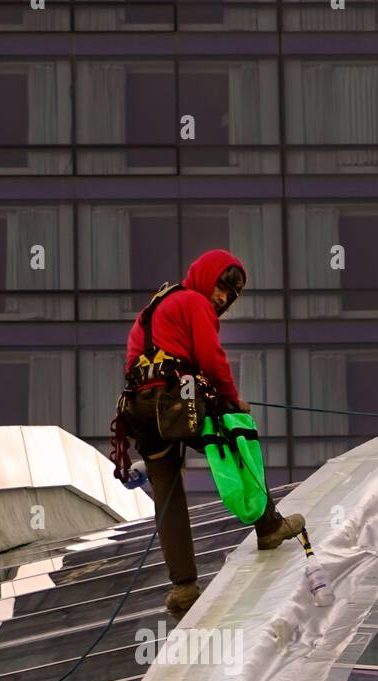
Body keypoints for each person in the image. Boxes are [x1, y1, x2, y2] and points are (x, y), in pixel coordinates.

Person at [116, 249, 304, 614]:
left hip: (139, 410)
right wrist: (232, 400)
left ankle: (184, 589)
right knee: (237, 439)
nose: (223, 299)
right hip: (176, 402)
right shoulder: (194, 303)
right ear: (205, 277)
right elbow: (211, 357)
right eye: (222, 287)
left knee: (168, 494)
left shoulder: (152, 309)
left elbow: (132, 361)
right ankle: (268, 527)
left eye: (230, 296)